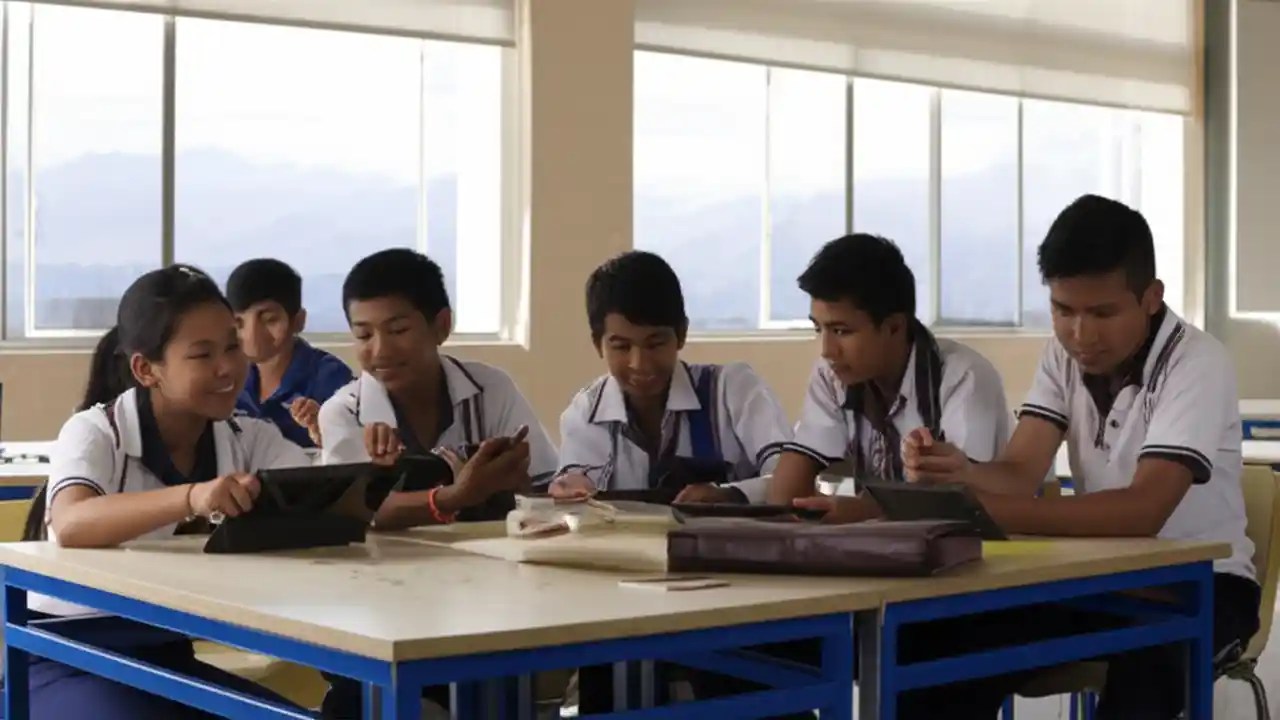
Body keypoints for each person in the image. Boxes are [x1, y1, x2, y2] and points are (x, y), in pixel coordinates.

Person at [803, 196, 1261, 720]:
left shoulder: (1196, 363)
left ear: (1151, 297)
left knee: (1147, 675)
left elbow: (1143, 510)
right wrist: (963, 473)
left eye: (1103, 313)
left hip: (1202, 584)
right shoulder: (1061, 356)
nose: (1081, 335)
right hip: (1100, 578)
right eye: (1063, 311)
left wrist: (973, 507)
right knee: (940, 650)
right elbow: (1021, 472)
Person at [24, 265, 309, 719]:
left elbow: (328, 489)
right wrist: (192, 496)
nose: (227, 368)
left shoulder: (247, 436)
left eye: (232, 347)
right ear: (146, 368)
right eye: (202, 355)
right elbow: (72, 523)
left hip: (168, 656)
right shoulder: (97, 432)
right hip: (65, 656)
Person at [316, 248, 556, 718]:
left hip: (485, 604)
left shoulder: (492, 390)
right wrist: (458, 495)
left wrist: (526, 484)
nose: (380, 351)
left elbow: (542, 483)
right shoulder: (344, 411)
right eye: (363, 335)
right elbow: (358, 511)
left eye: (398, 330)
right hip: (380, 607)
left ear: (441, 325)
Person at [766, 233, 1011, 519]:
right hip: (891, 546)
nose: (827, 350)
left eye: (842, 331)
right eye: (819, 329)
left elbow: (965, 504)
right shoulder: (832, 375)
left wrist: (864, 511)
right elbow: (786, 491)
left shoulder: (962, 377)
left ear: (894, 327)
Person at [550, 250, 791, 503]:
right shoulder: (585, 413)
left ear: (682, 334)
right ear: (598, 344)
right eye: (621, 347)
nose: (639, 364)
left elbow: (792, 480)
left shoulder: (733, 391)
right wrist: (571, 490)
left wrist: (732, 495)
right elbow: (573, 486)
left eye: (655, 344)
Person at [226, 258, 353, 449]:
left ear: (298, 320)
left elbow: (355, 451)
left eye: (269, 319)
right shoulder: (228, 377)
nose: (252, 334)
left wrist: (326, 428)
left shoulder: (329, 378)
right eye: (239, 323)